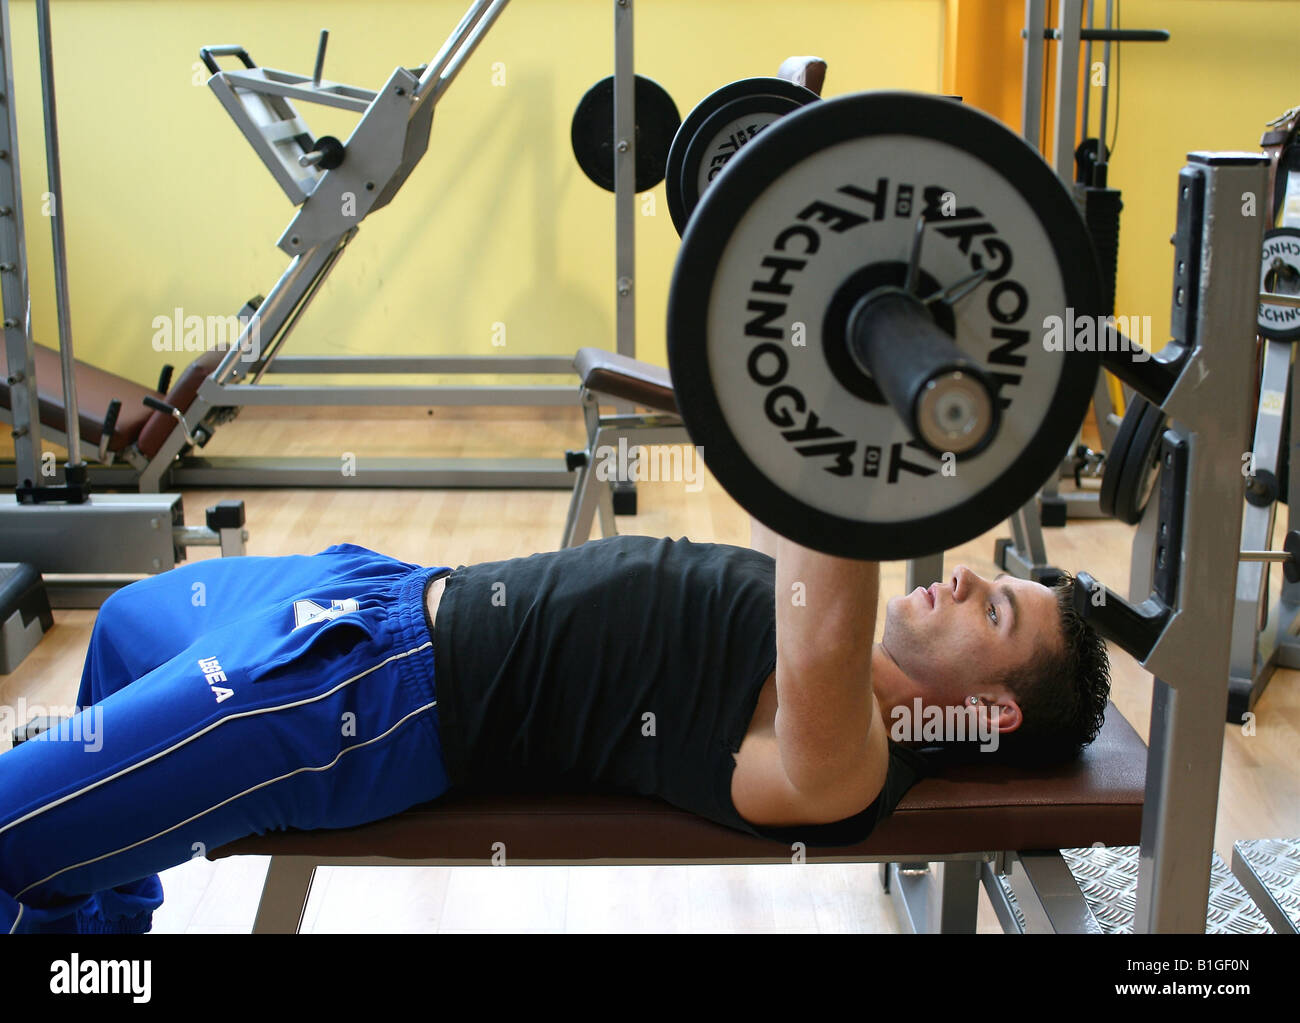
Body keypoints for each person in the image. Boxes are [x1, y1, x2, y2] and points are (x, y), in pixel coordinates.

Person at [0, 521, 1110, 934]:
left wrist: (852, 398)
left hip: (354, 698)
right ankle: (90, 956)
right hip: (374, 588)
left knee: (11, 827)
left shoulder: (846, 762)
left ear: (994, 709)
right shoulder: (848, 661)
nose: (966, 578)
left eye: (995, 608)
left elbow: (824, 601)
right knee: (133, 627)